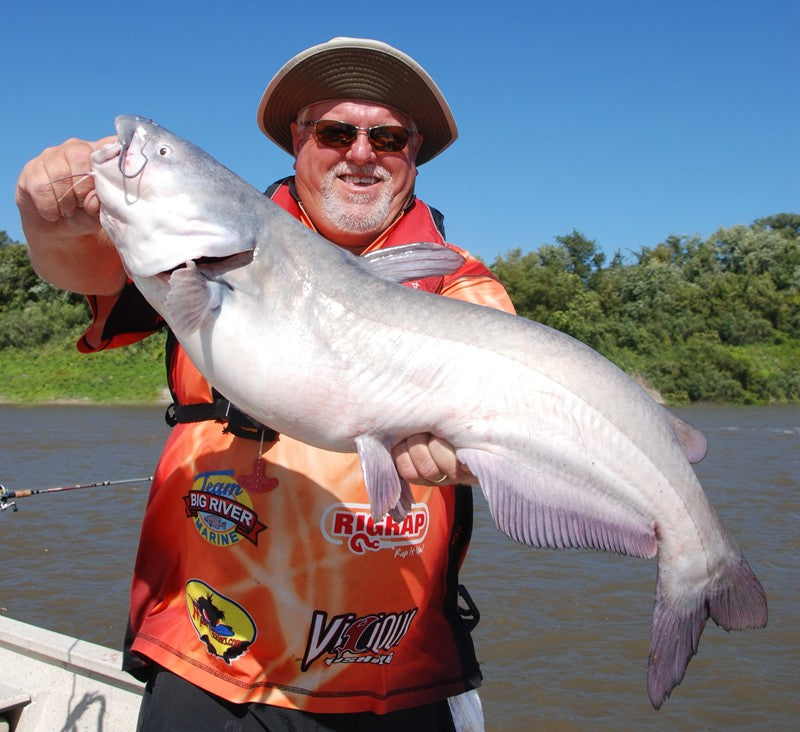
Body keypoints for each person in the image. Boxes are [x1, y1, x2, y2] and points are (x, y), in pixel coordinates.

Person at [16, 37, 515, 731]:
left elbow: (515, 414)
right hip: (208, 651)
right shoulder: (208, 237)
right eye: (336, 131)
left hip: (394, 670)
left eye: (389, 137)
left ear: (413, 152)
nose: (362, 153)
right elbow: (86, 267)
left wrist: (478, 454)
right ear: (298, 141)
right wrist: (49, 220)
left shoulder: (460, 280)